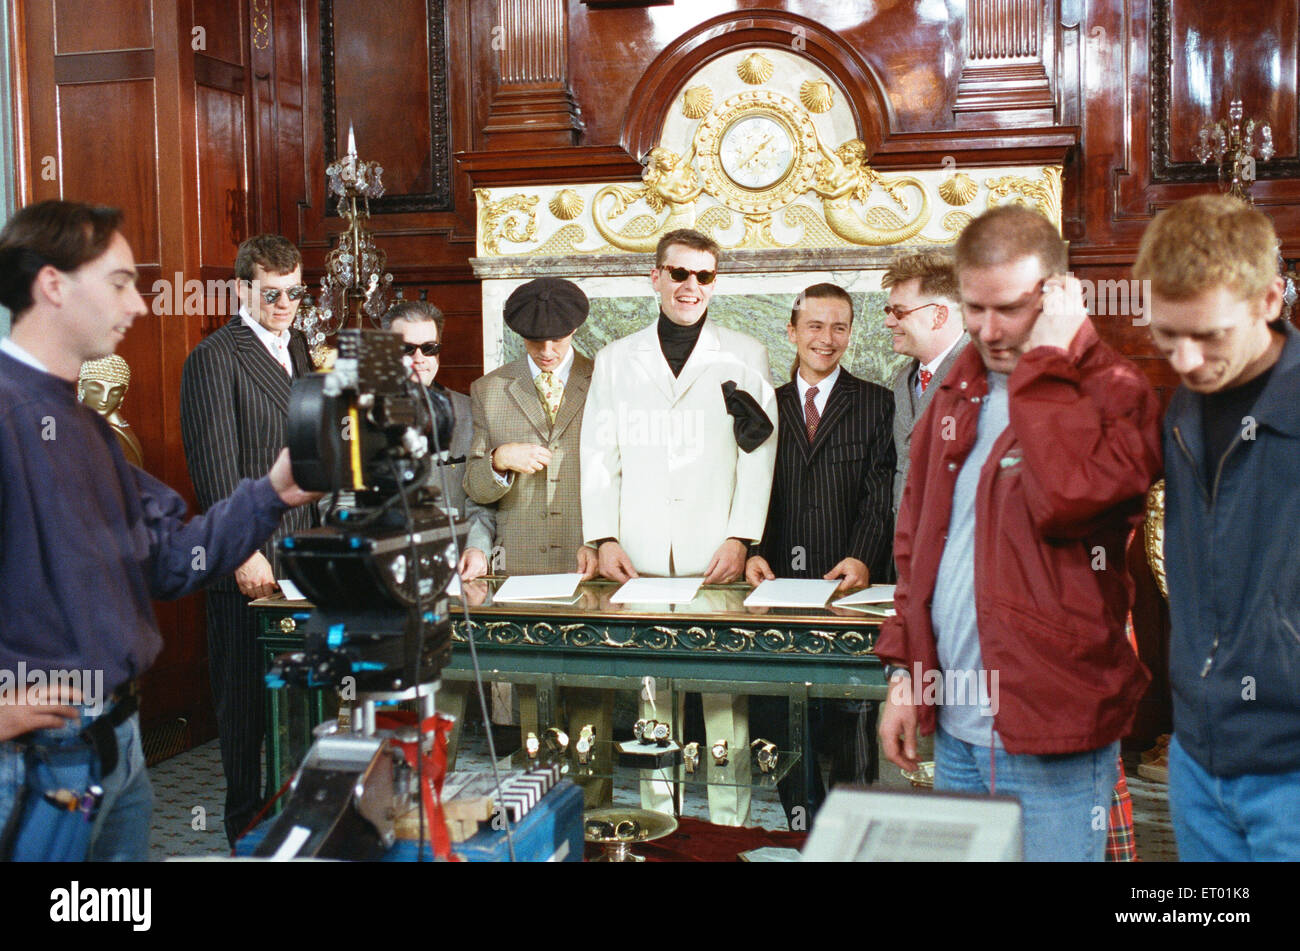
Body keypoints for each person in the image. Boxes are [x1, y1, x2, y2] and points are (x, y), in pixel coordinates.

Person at [0, 200, 316, 860]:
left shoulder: (83, 427)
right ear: (53, 285)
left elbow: (170, 558)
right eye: (119, 283)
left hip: (118, 747)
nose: (139, 304)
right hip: (32, 763)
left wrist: (275, 492)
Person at [876, 204, 1163, 861]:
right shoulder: (957, 392)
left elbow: (1066, 500)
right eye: (974, 308)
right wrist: (905, 675)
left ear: (1058, 294)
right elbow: (916, 545)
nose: (988, 329)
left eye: (1008, 308)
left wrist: (1049, 364)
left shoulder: (1114, 390)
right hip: (956, 725)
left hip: (1051, 727)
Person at [581, 228, 778, 825]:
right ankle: (656, 825)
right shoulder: (615, 359)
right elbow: (599, 454)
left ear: (714, 282)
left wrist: (742, 537)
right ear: (656, 277)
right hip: (637, 554)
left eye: (704, 275)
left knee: (723, 698)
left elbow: (758, 452)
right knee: (652, 701)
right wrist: (604, 536)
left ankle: (728, 826)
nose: (691, 285)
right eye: (679, 273)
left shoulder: (746, 353)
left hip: (715, 551)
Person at [1133, 194, 1300, 861]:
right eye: (1167, 336)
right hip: (1198, 757)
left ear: (1270, 300)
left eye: (1209, 336)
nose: (1186, 360)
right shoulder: (1184, 408)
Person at [179, 234, 318, 846]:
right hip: (249, 561)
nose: (285, 305)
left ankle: (299, 831)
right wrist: (242, 553)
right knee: (244, 711)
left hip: (304, 557)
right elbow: (215, 471)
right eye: (271, 294)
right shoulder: (214, 357)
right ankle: (246, 836)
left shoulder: (302, 348)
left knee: (300, 705)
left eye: (294, 293)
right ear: (241, 290)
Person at [745, 282, 895, 822]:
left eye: (839, 327)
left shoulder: (877, 402)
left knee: (853, 711)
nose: (826, 339)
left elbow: (881, 491)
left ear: (851, 333)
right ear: (791, 332)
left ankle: (852, 825)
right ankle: (800, 823)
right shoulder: (767, 405)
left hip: (849, 583)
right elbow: (745, 485)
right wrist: (751, 549)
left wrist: (863, 556)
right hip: (778, 581)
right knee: (784, 712)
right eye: (814, 326)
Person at [462, 277, 609, 805]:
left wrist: (605, 540)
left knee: (591, 696)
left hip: (589, 562)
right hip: (521, 570)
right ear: (518, 335)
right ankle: (539, 819)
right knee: (533, 708)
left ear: (575, 331)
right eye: (534, 340)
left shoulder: (606, 380)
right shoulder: (489, 390)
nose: (547, 351)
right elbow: (476, 490)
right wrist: (499, 460)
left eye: (558, 339)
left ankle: (593, 818)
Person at [384, 299, 496, 767]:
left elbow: (480, 499)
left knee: (441, 723)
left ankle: (436, 796)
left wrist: (479, 548)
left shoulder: (466, 412)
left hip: (450, 589)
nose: (419, 359)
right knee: (381, 729)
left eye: (428, 348)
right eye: (406, 348)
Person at [881, 251, 969, 515]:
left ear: (939, 316)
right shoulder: (903, 381)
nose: (888, 322)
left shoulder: (988, 376)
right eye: (888, 310)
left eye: (899, 311)